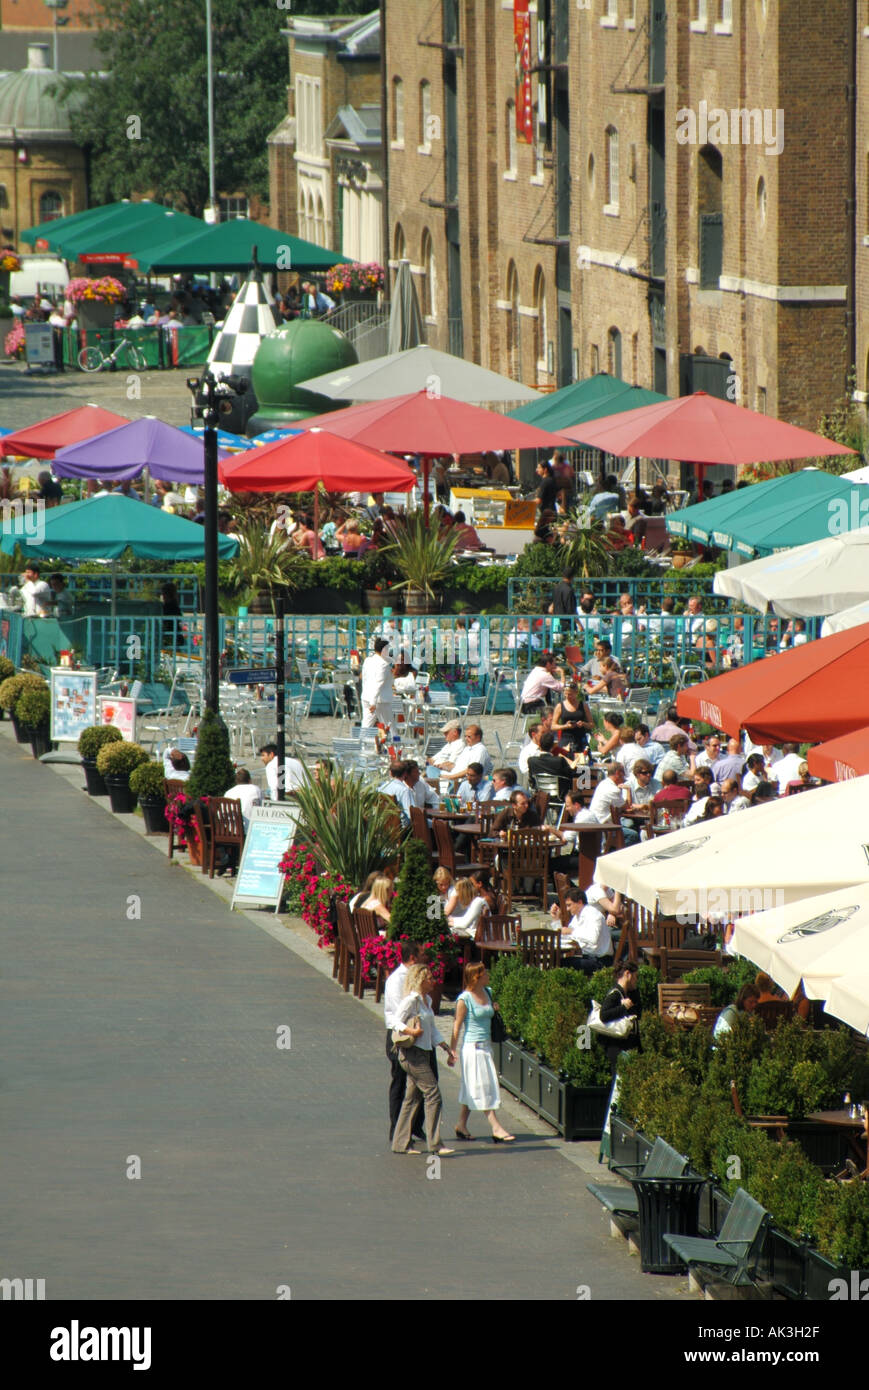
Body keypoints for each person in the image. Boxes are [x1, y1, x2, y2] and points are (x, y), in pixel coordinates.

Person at [391, 964, 456, 1155]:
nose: (433, 981)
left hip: (425, 1052)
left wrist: (445, 1047)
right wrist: (411, 1031)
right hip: (413, 1054)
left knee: (413, 1097)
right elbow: (395, 1022)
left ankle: (400, 1143)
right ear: (420, 980)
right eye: (429, 978)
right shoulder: (412, 1000)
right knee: (433, 1093)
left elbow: (432, 1030)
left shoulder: (427, 1000)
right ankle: (435, 1144)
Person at [449, 963, 514, 1142]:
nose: (488, 975)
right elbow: (457, 1026)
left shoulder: (488, 991)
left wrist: (495, 1009)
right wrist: (451, 1050)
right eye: (484, 973)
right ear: (476, 977)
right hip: (473, 1048)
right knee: (483, 1086)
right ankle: (496, 1127)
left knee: (472, 1086)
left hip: (486, 1046)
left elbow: (490, 1012)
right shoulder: (465, 999)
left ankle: (461, 1124)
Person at [383, 942, 430, 1144]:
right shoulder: (396, 980)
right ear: (412, 958)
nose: (423, 959)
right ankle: (397, 1130)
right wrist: (412, 1028)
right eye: (420, 956)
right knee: (401, 1083)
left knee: (420, 1084)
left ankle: (415, 1126)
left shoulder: (415, 978)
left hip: (420, 1037)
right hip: (402, 1037)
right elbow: (397, 1013)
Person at [599, 960, 642, 1077]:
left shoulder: (628, 993)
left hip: (625, 1047)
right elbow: (604, 1015)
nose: (636, 980)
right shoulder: (615, 994)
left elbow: (638, 1012)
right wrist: (623, 1007)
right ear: (628, 974)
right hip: (616, 1048)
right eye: (635, 976)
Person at [559, 886, 613, 973]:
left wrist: (572, 931)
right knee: (558, 961)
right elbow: (567, 934)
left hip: (601, 961)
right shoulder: (578, 916)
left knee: (561, 963)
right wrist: (556, 920)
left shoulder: (593, 915)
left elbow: (592, 939)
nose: (567, 909)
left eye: (569, 905)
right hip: (589, 957)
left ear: (579, 902)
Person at [528, 730, 577, 799]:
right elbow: (570, 774)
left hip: (541, 795)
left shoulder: (531, 761)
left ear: (539, 745)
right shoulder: (559, 761)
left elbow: (531, 780)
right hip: (560, 794)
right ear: (552, 747)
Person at [360, 637, 393, 730]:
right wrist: (373, 702)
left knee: (366, 725)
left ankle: (362, 744)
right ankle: (393, 744)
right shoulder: (384, 664)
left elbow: (365, 679)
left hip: (366, 696)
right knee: (389, 727)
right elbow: (378, 683)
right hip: (380, 700)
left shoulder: (367, 660)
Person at [551, 684, 593, 756]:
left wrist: (583, 724)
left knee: (583, 762)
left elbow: (591, 725)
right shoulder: (560, 706)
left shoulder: (584, 705)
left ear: (576, 693)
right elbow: (553, 726)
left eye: (570, 694)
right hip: (566, 738)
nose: (567, 696)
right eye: (565, 694)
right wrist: (566, 726)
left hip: (581, 738)